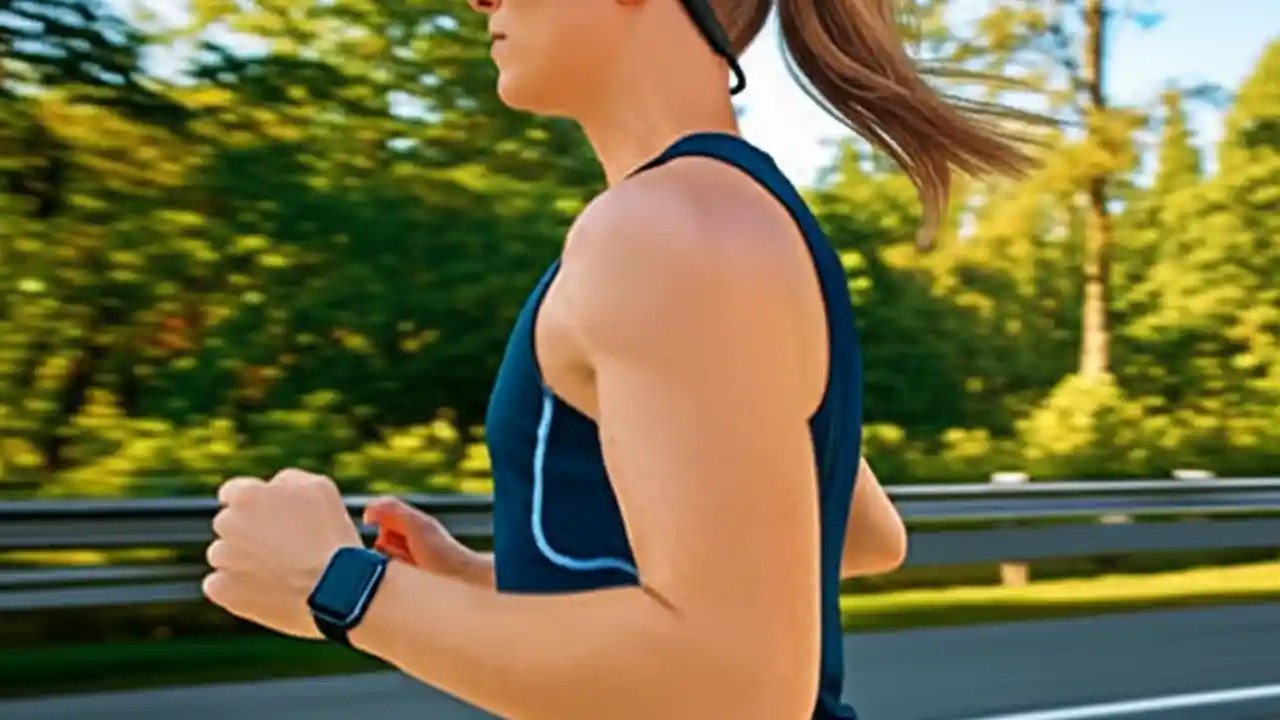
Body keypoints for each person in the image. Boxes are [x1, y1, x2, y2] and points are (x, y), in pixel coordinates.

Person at [201, 1, 1032, 718]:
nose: (478, 0)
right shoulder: (727, 213)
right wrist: (478, 581)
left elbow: (740, 689)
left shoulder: (665, 230)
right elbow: (851, 535)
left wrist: (338, 587)